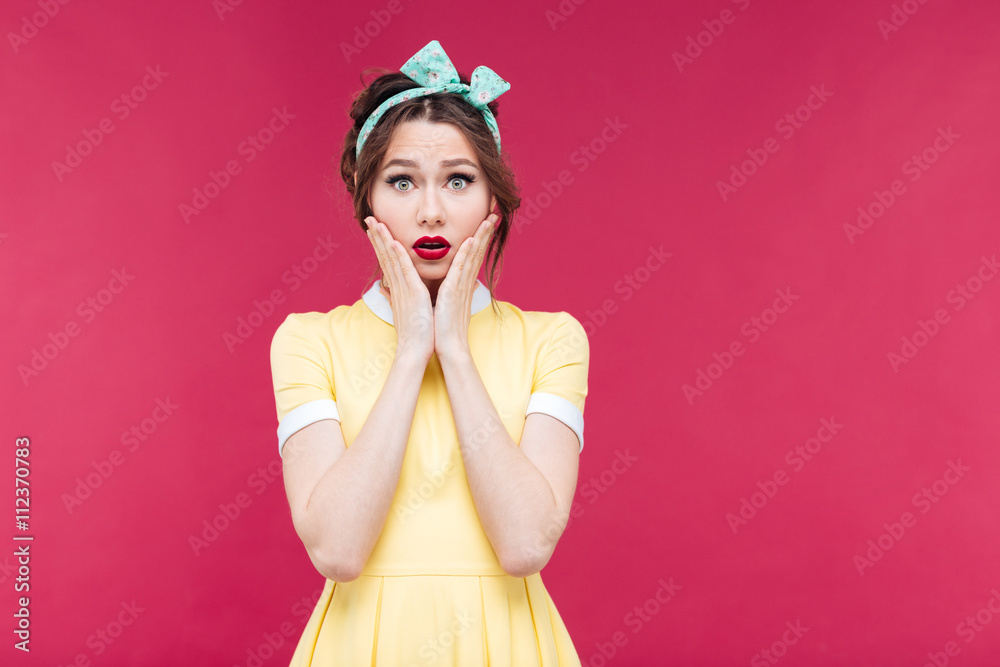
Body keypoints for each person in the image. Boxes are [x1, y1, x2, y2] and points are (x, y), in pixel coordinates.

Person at [269, 39, 590, 666]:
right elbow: (338, 550)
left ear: (493, 200)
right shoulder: (308, 341)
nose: (431, 210)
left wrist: (457, 353)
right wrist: (414, 346)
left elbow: (525, 544)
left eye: (459, 180)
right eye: (402, 181)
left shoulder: (554, 339)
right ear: (368, 201)